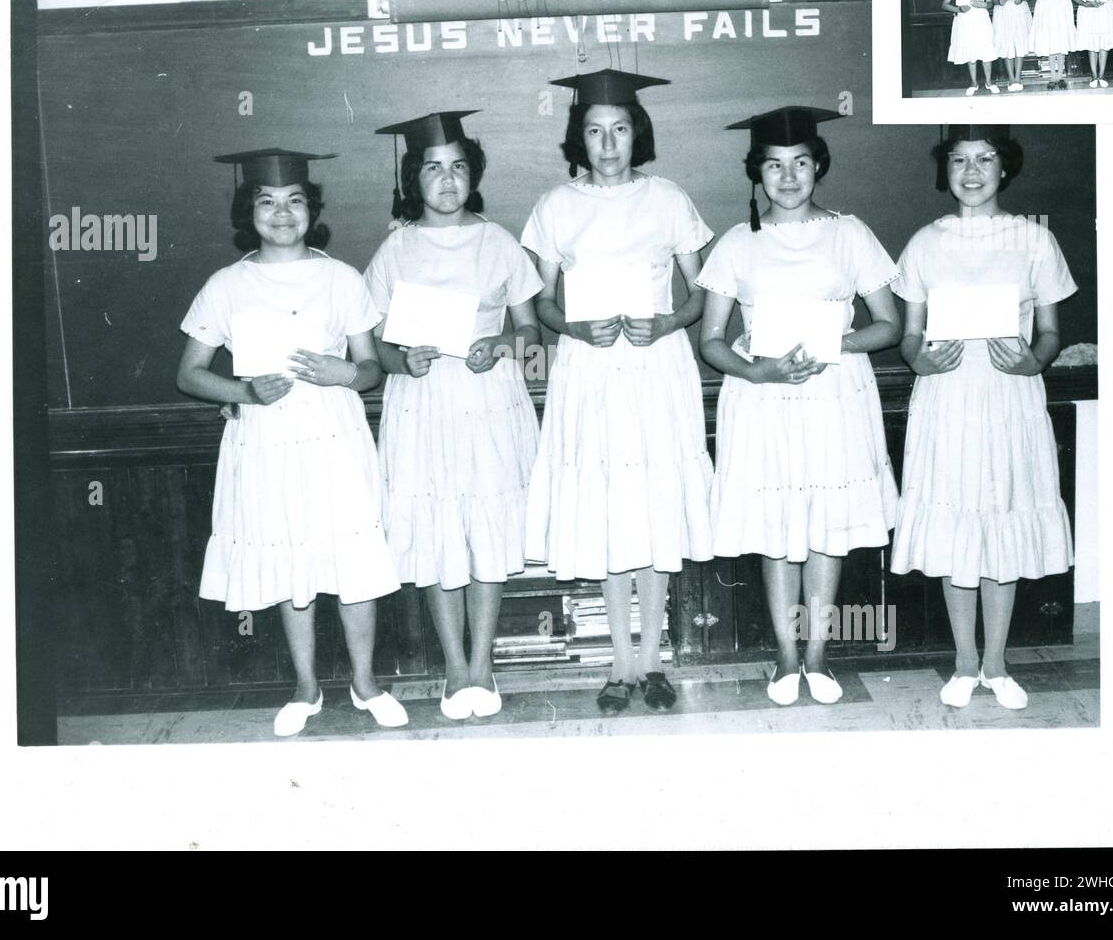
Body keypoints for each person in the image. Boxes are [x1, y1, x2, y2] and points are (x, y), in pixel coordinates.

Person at [177, 148, 408, 735]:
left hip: (335, 437)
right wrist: (245, 391)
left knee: (352, 560)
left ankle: (365, 683)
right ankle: (306, 689)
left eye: (295, 201)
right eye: (267, 202)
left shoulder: (342, 278)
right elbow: (189, 373)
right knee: (289, 560)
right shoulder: (226, 285)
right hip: (265, 441)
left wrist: (344, 374)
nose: (282, 214)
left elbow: (371, 368)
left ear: (313, 210)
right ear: (247, 211)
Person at [521, 68, 714, 714]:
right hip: (590, 372)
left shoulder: (668, 200)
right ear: (580, 139)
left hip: (657, 370)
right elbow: (542, 304)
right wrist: (574, 326)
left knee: (653, 508)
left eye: (620, 130)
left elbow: (705, 293)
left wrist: (667, 322)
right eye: (595, 132)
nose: (608, 144)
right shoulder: (557, 207)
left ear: (638, 133)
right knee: (609, 511)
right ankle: (619, 666)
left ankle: (655, 663)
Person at [697, 107, 901, 706]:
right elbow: (711, 341)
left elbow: (888, 325)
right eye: (774, 165)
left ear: (819, 167)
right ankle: (785, 660)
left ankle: (819, 657)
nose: (788, 177)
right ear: (757, 174)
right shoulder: (738, 243)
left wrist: (831, 343)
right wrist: (759, 369)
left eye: (801, 164)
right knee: (778, 526)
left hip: (834, 393)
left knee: (826, 530)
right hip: (764, 398)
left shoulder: (851, 233)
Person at [891, 126, 1077, 710]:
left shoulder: (1033, 242)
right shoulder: (924, 242)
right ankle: (964, 662)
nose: (971, 172)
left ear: (1005, 169)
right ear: (945, 170)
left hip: (1008, 398)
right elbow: (910, 336)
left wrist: (1032, 361)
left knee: (1000, 519)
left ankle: (996, 664)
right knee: (957, 525)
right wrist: (920, 357)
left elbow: (1048, 334)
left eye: (985, 159)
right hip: (946, 397)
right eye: (958, 160)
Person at [366, 111, 543, 721]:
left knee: (486, 529)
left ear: (474, 176)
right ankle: (453, 668)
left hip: (488, 402)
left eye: (459, 168)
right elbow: (374, 349)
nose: (447, 181)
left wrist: (499, 346)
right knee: (441, 532)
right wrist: (400, 359)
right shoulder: (396, 250)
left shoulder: (498, 242)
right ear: (414, 179)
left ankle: (483, 664)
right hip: (424, 406)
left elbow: (529, 328)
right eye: (433, 169)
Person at [942, 0, 1000, 95]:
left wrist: (983, 5)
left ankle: (988, 83)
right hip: (964, 23)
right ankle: (974, 84)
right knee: (970, 54)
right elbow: (944, 4)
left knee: (985, 52)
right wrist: (959, 9)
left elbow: (990, 3)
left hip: (981, 21)